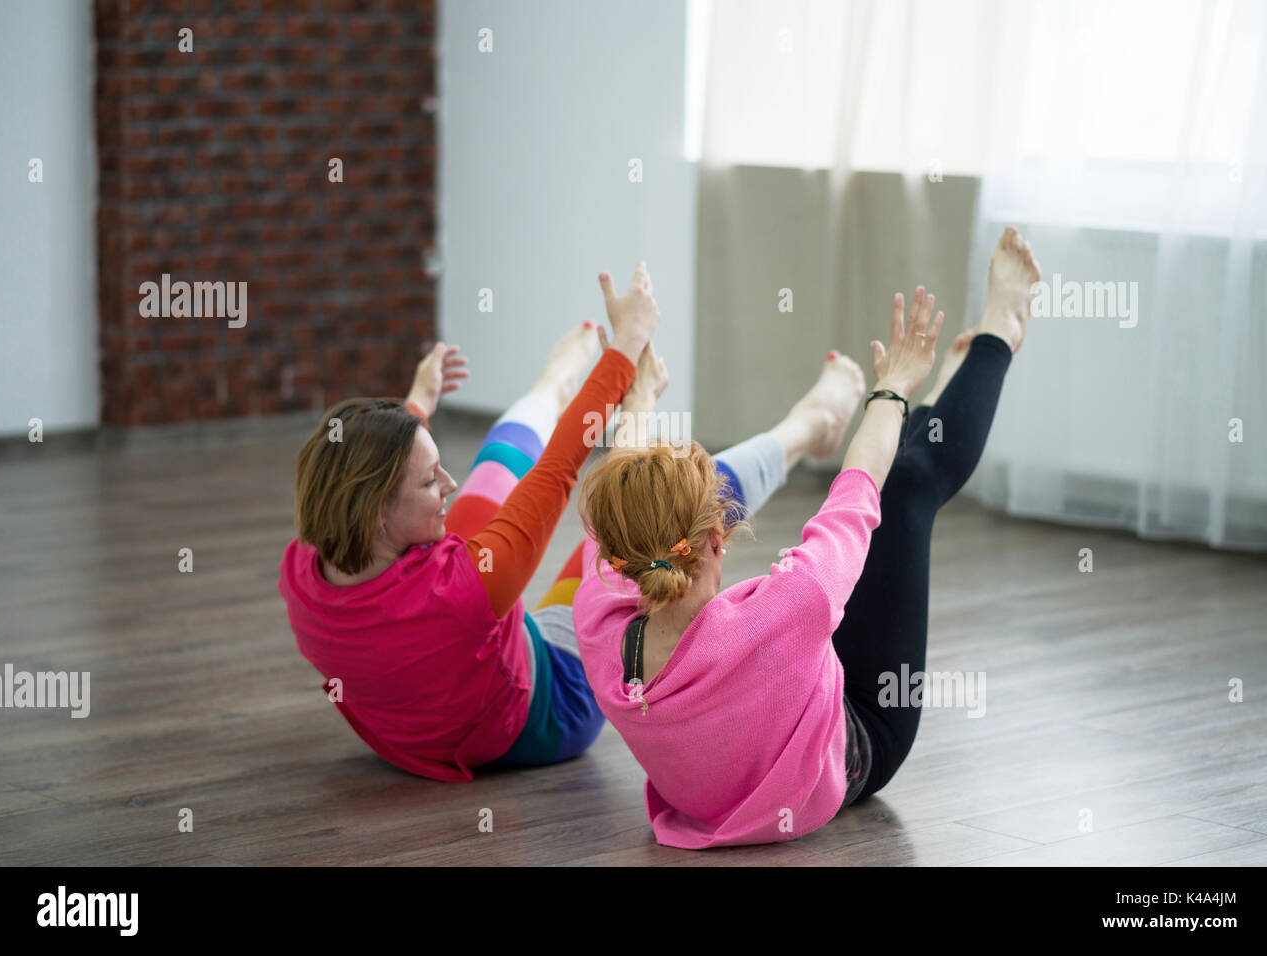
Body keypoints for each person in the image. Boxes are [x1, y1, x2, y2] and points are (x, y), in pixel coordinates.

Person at [573, 228, 1042, 847]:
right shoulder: (786, 609)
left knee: (887, 481)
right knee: (907, 487)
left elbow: (627, 484)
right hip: (863, 734)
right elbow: (860, 487)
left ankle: (927, 416)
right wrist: (893, 383)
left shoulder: (597, 618)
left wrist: (637, 391)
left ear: (618, 554)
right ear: (719, 538)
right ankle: (996, 340)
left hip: (784, 693)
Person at [278, 263, 662, 780]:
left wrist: (416, 405)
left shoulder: (302, 565)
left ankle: (552, 386)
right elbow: (560, 464)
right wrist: (628, 346)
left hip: (420, 709)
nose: (447, 484)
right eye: (428, 481)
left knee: (497, 466)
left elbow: (369, 470)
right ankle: (648, 407)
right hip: (549, 707)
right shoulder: (462, 589)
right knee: (623, 527)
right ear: (376, 514)